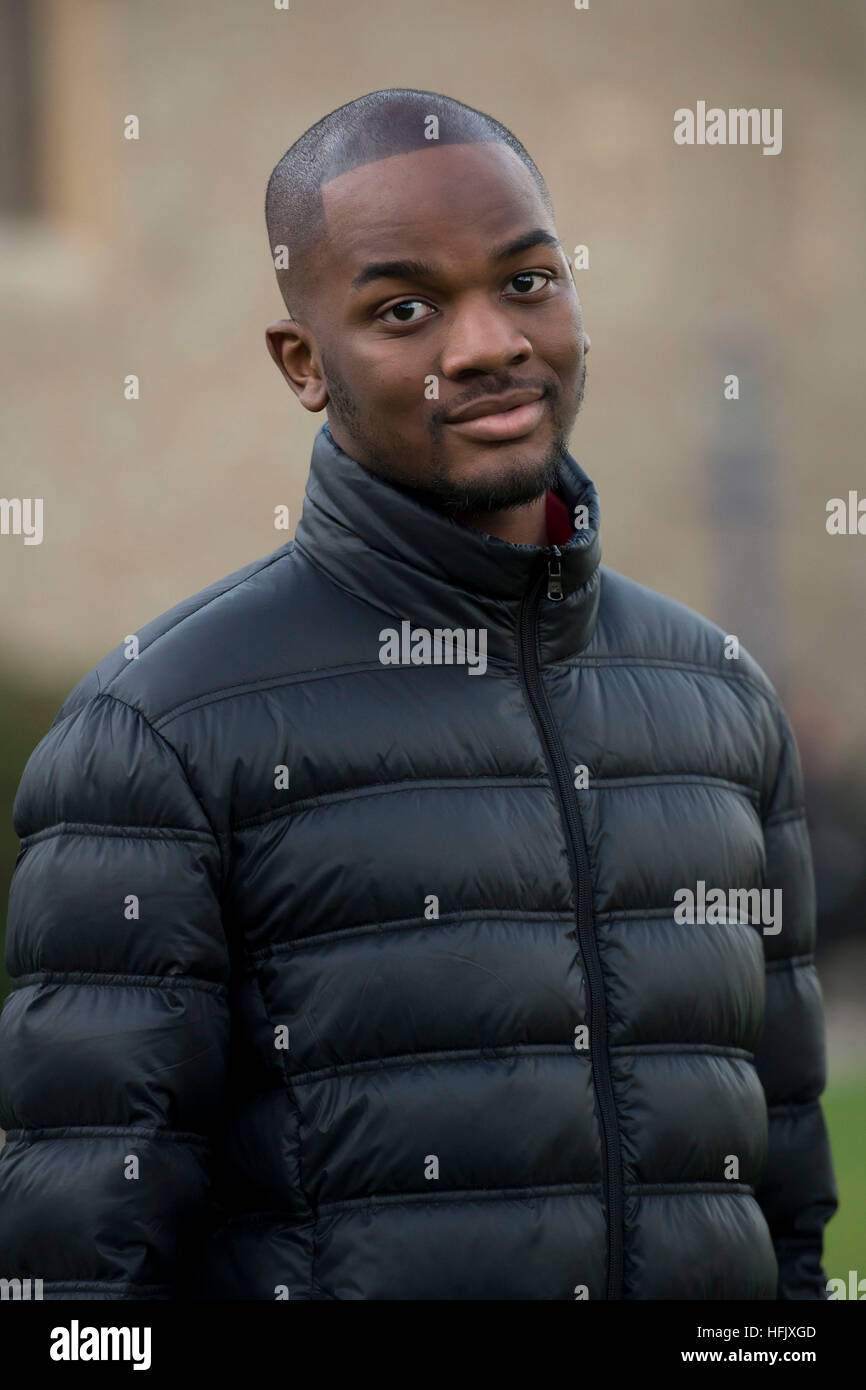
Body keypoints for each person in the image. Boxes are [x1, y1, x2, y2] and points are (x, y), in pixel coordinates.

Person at [0, 88, 837, 1300]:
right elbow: (82, 1274)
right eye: (404, 308)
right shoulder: (157, 735)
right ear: (304, 362)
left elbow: (786, 1204)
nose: (487, 342)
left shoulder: (719, 703)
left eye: (528, 281)